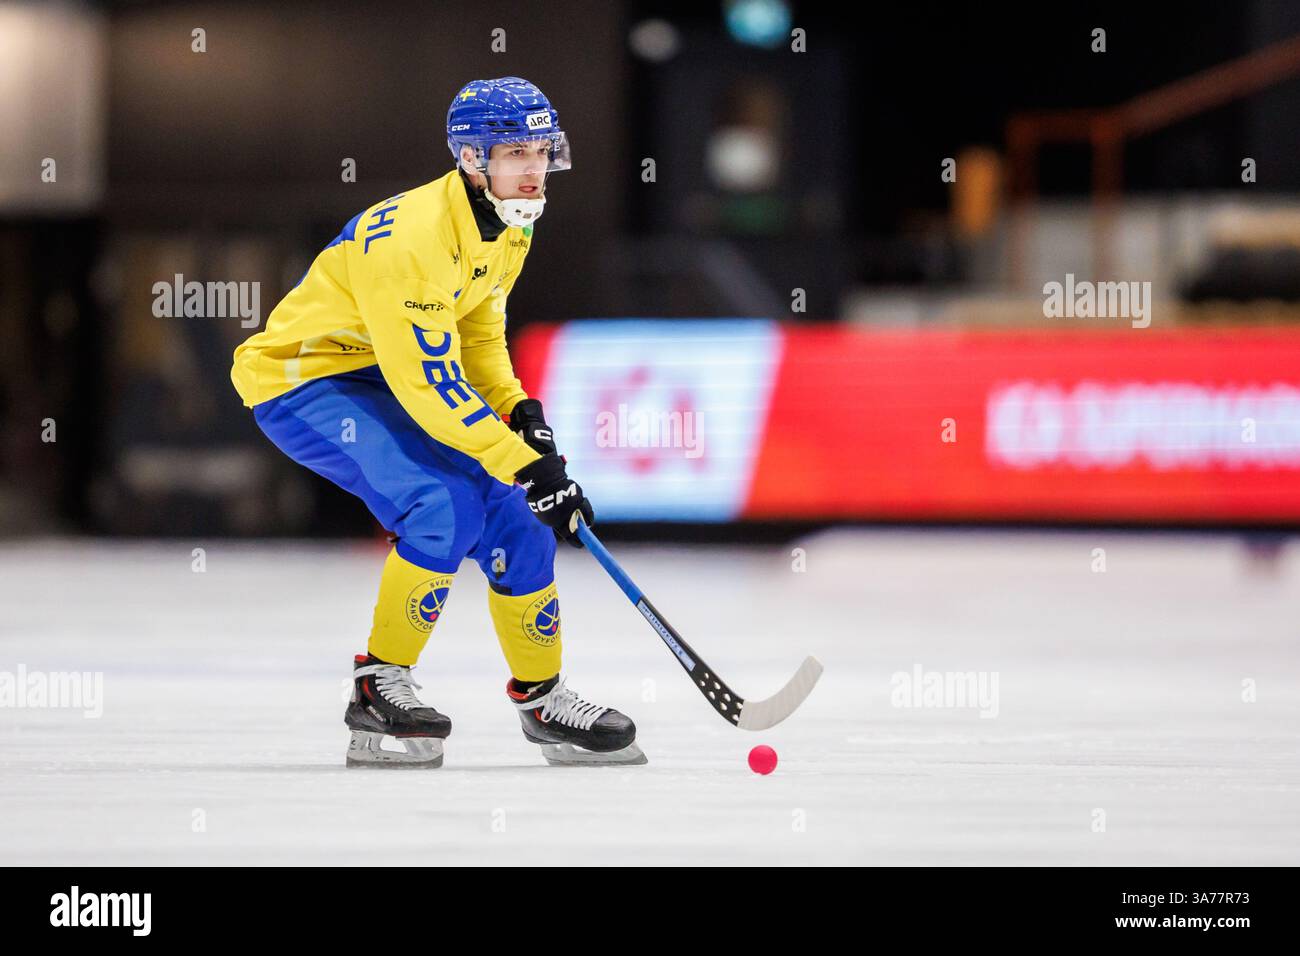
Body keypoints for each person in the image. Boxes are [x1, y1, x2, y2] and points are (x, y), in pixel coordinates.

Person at [230, 77, 644, 768]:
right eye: (516, 151)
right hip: (307, 380)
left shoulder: (511, 222)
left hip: (388, 376)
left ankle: (543, 700)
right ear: (472, 159)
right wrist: (528, 464)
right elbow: (430, 388)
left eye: (543, 149)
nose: (535, 167)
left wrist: (522, 418)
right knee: (441, 504)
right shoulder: (413, 242)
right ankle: (376, 686)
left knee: (516, 515)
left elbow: (478, 337)